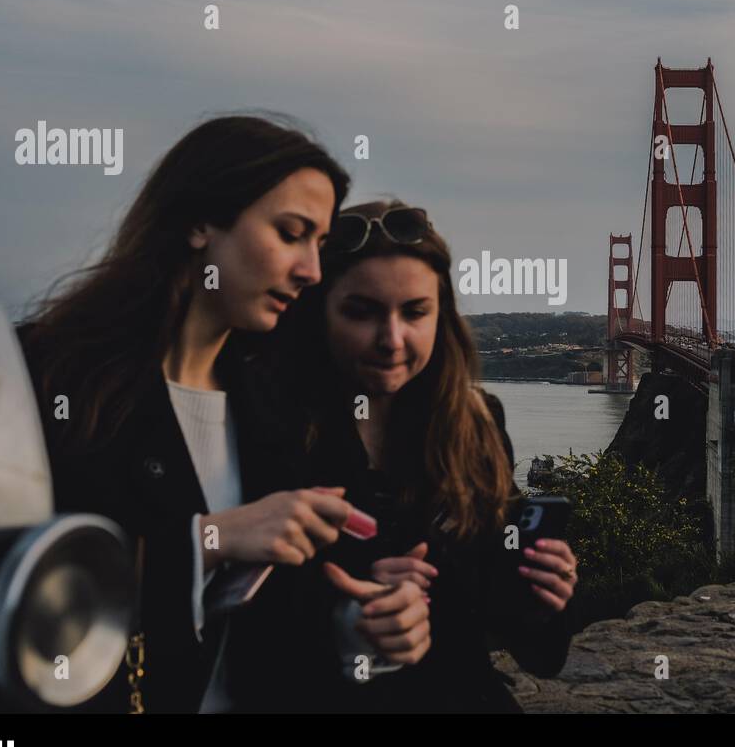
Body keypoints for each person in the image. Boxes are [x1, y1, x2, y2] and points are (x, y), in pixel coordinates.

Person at [17, 116, 431, 712]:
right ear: (198, 223)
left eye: (319, 244)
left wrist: (364, 627)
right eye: (291, 234)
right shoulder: (47, 376)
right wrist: (210, 541)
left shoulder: (292, 413)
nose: (312, 271)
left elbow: (291, 630)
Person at [233, 200, 578, 712]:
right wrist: (345, 617)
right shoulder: (261, 423)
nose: (392, 340)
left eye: (415, 312)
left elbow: (530, 647)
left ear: (442, 313)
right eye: (361, 312)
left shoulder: (478, 421)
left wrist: (543, 603)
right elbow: (229, 629)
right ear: (319, 310)